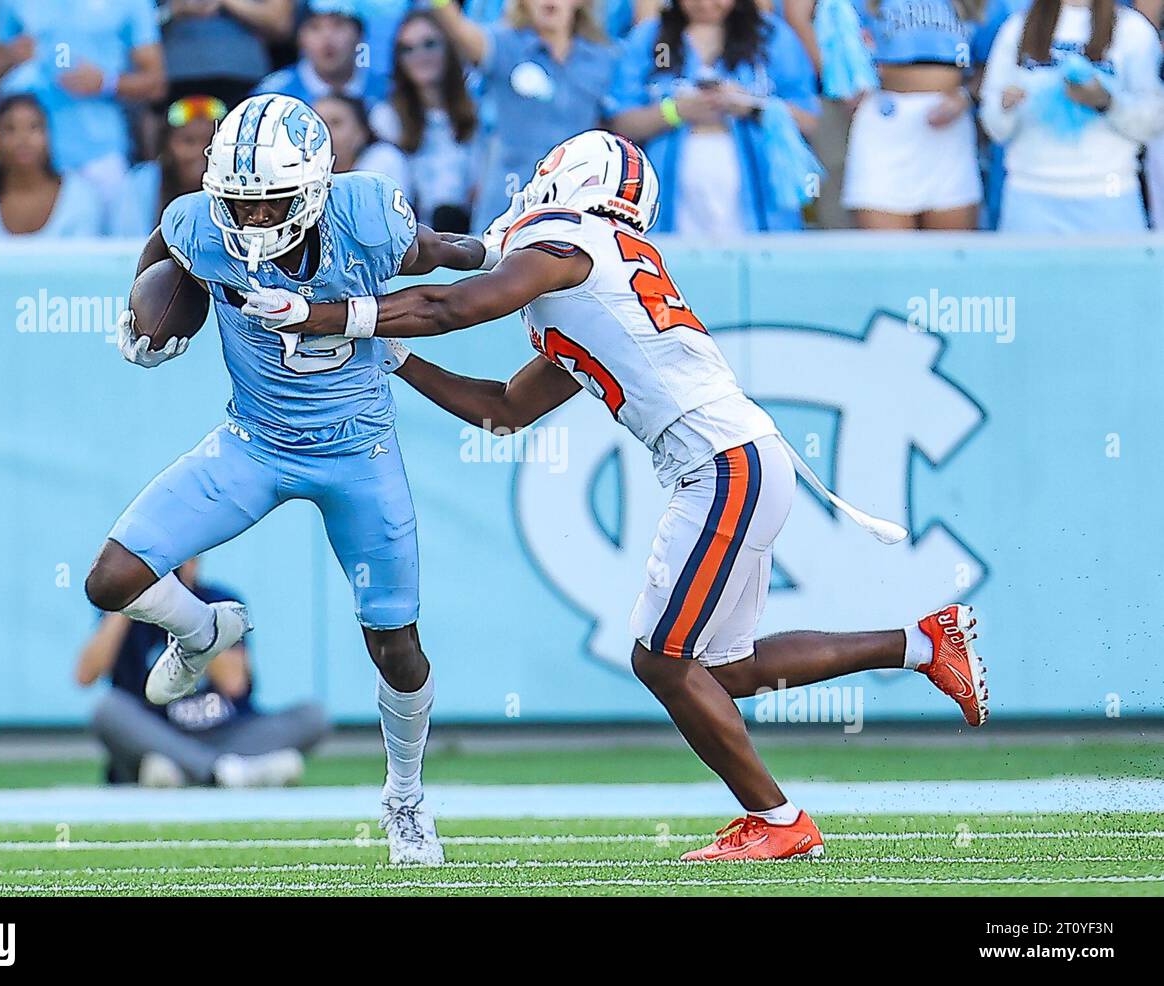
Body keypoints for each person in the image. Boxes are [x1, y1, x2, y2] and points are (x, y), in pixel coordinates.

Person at [268, 130, 992, 862]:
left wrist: (328, 315)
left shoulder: (568, 241)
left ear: (564, 183)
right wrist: (393, 355)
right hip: (734, 461)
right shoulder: (593, 276)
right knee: (722, 670)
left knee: (662, 661)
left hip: (723, 464)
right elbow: (504, 411)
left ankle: (778, 821)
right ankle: (924, 644)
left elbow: (458, 306)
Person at [83, 93, 491, 865]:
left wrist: (499, 250)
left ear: (313, 188)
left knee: (397, 646)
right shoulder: (203, 222)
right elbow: (164, 247)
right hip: (254, 442)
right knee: (110, 579)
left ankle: (404, 798)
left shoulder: (367, 215)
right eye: (236, 200)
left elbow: (440, 257)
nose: (249, 217)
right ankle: (203, 629)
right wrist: (138, 322)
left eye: (267, 198)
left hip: (358, 451)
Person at [77, 555, 328, 787]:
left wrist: (182, 611)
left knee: (312, 717)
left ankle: (190, 770)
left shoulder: (219, 601)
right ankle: (228, 770)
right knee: (107, 711)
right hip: (159, 733)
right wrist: (129, 601)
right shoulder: (129, 611)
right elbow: (85, 675)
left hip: (226, 731)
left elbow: (234, 683)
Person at [609, 0, 821, 235]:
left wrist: (752, 106)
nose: (706, 3)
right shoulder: (649, 38)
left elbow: (809, 120)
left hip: (762, 213)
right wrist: (675, 111)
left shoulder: (771, 36)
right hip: (667, 214)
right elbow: (620, 123)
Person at [430, 0, 618, 232]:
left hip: (575, 212)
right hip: (506, 212)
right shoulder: (504, 45)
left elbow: (620, 122)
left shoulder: (604, 58)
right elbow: (458, 29)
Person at [979, 0, 1164, 232]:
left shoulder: (1133, 29)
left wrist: (1105, 102)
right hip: (1029, 197)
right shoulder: (1018, 26)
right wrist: (1006, 107)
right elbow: (994, 126)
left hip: (1109, 197)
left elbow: (1153, 121)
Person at [0, 0, 167, 209]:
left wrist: (106, 82)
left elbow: (156, 84)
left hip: (100, 154)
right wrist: (10, 55)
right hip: (30, 156)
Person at [841, 0, 985, 230]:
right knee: (888, 261)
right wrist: (850, 85)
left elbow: (994, 66)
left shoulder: (975, 4)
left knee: (951, 259)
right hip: (883, 127)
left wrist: (964, 97)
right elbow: (838, 47)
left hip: (949, 133)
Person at [371, 10, 479, 232]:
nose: (420, 55)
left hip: (474, 228)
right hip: (414, 237)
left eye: (429, 44)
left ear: (449, 47)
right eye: (407, 49)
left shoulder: (478, 109)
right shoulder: (385, 117)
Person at [0, 95, 104, 238]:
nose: (23, 138)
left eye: (34, 127)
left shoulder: (79, 197)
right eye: (9, 129)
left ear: (48, 136)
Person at [109, 94, 227, 236]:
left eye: (211, 142)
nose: (202, 151)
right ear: (167, 146)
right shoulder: (143, 181)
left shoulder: (237, 181)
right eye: (189, 141)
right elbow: (128, 243)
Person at [159, 0, 295, 108]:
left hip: (243, 80)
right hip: (176, 80)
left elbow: (280, 24)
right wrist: (175, 9)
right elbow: (140, 31)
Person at [252, 0, 388, 106]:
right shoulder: (272, 95)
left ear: (360, 35)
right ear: (299, 39)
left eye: (338, 25)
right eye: (314, 27)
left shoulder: (388, 92)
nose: (327, 37)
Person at [316, 93, 411, 189]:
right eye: (317, 124)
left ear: (361, 131)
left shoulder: (385, 158)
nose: (324, 131)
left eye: (335, 123)